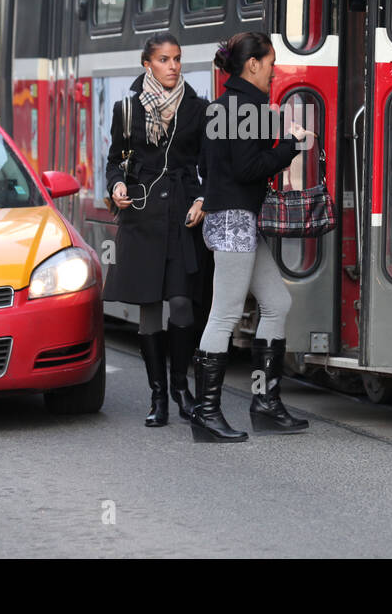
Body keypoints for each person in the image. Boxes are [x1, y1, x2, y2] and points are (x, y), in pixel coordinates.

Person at [193, 32, 315, 443]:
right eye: (270, 63)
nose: (274, 70)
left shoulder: (225, 105)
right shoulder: (245, 107)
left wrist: (279, 130)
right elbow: (249, 167)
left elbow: (209, 166)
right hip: (233, 222)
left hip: (234, 218)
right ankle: (206, 413)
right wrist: (292, 148)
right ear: (253, 65)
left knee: (277, 302)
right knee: (224, 314)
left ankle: (264, 404)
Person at [104, 32, 210, 427]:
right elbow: (116, 161)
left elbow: (207, 164)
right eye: (164, 60)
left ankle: (181, 387)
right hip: (143, 217)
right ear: (147, 64)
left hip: (182, 215)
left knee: (182, 304)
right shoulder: (127, 110)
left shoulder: (198, 109)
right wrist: (116, 186)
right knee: (149, 309)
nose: (173, 66)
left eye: (177, 59)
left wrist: (204, 198)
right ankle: (158, 396)